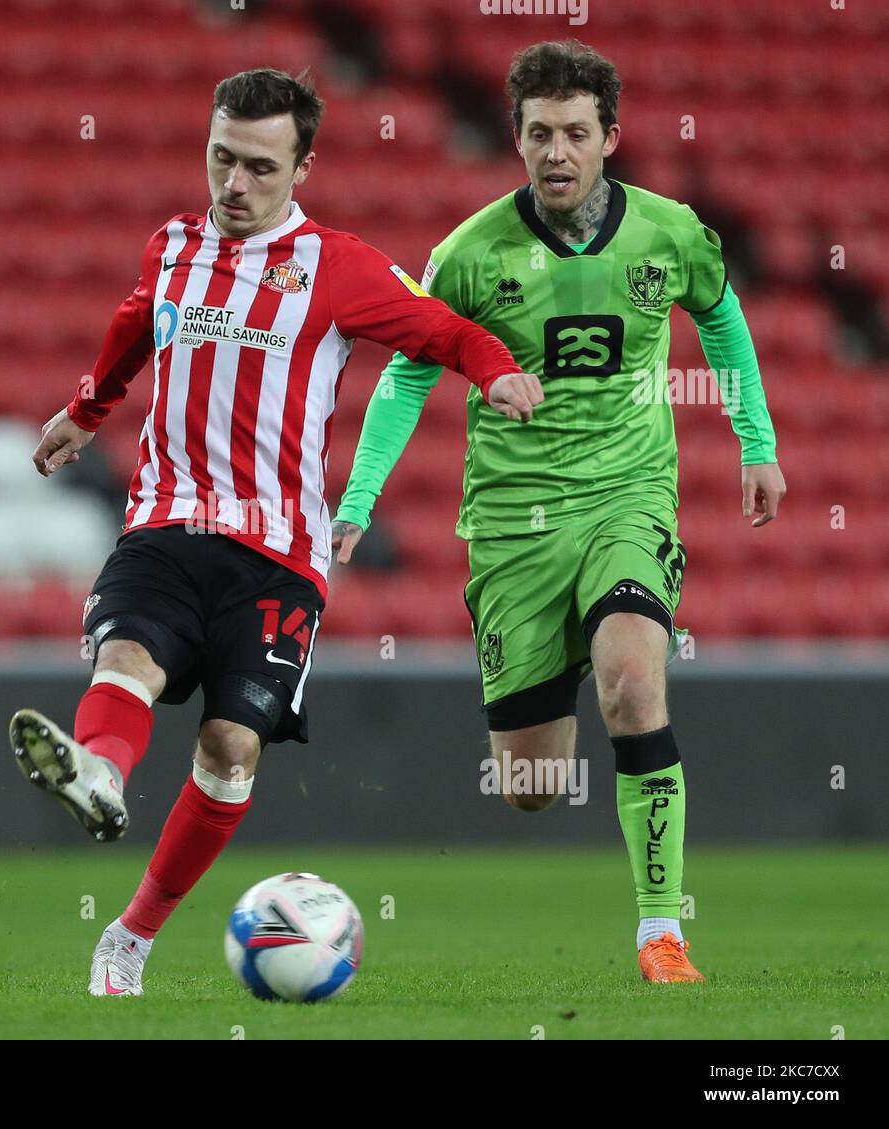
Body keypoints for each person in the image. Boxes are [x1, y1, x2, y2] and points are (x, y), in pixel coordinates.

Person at [14, 67, 532, 996]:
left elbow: (443, 329)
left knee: (231, 751)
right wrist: (88, 410)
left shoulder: (339, 266)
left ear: (304, 167)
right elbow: (137, 322)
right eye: (221, 158)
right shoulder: (171, 244)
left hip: (278, 556)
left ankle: (128, 936)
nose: (234, 184)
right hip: (166, 522)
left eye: (259, 165)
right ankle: (99, 774)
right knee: (126, 659)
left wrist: (494, 370)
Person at [334, 40, 787, 984]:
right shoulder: (468, 254)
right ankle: (572, 641)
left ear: (610, 139)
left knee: (631, 682)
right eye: (539, 134)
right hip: (512, 526)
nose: (556, 153)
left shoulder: (669, 233)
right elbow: (406, 376)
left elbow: (724, 317)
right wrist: (359, 497)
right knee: (531, 786)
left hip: (628, 496)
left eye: (576, 134)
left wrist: (757, 441)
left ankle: (661, 932)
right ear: (517, 138)